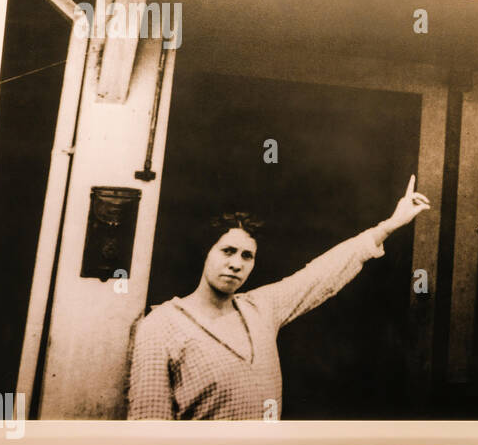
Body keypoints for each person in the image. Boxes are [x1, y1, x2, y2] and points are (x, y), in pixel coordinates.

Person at [126, 175, 430, 420]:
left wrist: (388, 226)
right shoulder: (161, 325)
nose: (236, 263)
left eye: (247, 256)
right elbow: (149, 425)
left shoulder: (260, 308)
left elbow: (319, 276)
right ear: (203, 254)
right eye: (227, 251)